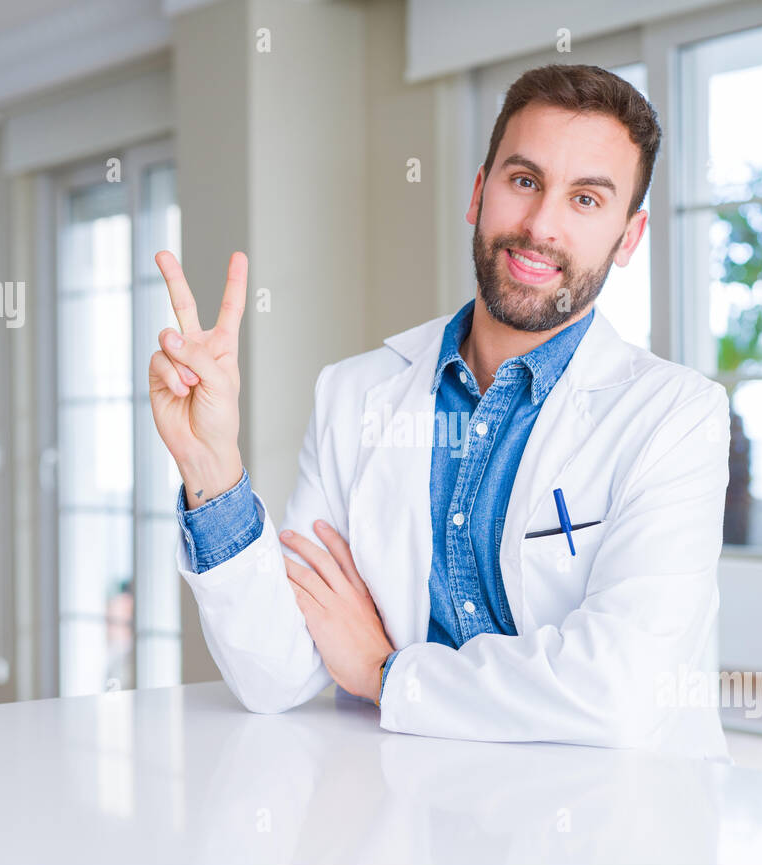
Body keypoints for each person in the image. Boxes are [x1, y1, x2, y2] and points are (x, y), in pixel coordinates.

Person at [147, 64, 730, 756]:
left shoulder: (676, 417)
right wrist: (210, 465)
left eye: (585, 200)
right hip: (417, 817)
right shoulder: (355, 395)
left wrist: (384, 672)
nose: (540, 225)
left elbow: (619, 693)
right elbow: (275, 673)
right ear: (480, 193)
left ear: (628, 238)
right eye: (524, 181)